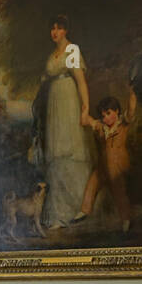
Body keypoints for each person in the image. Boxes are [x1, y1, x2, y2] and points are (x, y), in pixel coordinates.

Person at [29, 15, 93, 229]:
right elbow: (46, 79)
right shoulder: (52, 54)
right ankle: (58, 213)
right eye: (52, 28)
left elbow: (81, 82)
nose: (55, 32)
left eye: (59, 28)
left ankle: (75, 207)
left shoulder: (72, 50)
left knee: (70, 150)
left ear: (66, 30)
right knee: (56, 153)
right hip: (54, 103)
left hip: (68, 100)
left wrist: (85, 110)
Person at [72, 96, 131, 232]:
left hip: (117, 165)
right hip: (103, 166)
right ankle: (85, 211)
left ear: (117, 111)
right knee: (92, 184)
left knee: (119, 191)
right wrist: (85, 110)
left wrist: (131, 92)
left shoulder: (123, 124)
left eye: (108, 113)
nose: (106, 118)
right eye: (103, 115)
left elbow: (132, 110)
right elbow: (85, 120)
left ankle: (126, 219)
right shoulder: (101, 126)